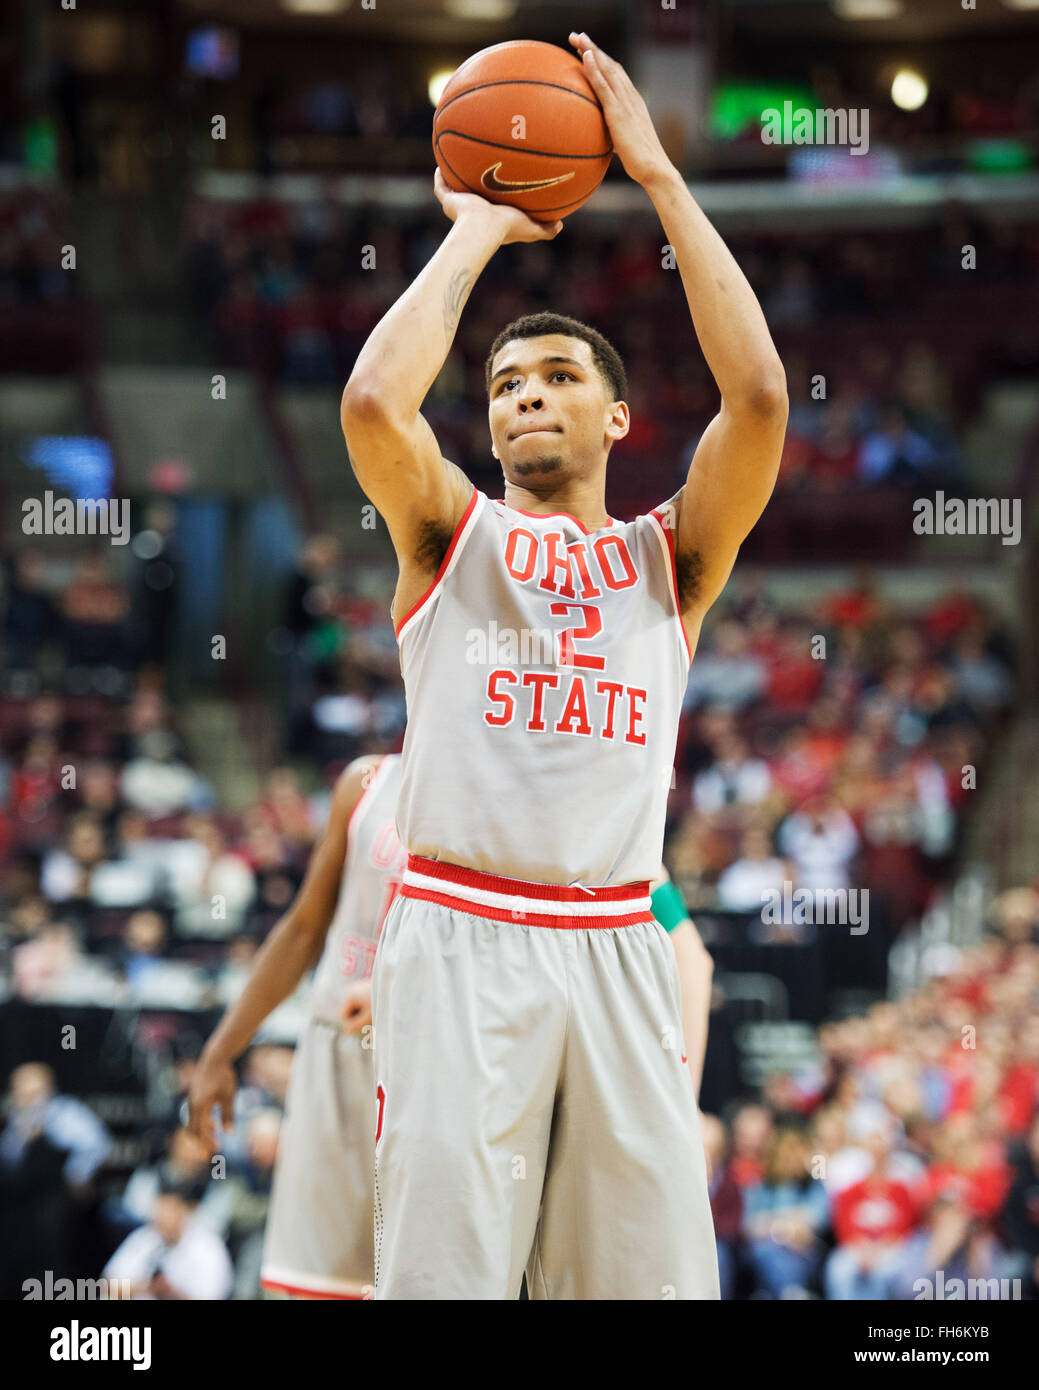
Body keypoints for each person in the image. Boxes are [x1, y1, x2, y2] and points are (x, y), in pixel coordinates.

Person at [340, 30, 786, 1299]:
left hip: (615, 939)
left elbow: (756, 398)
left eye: (555, 377)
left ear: (616, 417)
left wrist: (655, 175)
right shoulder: (446, 531)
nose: (523, 397)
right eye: (501, 384)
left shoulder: (672, 557)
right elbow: (375, 407)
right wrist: (479, 229)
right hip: (461, 936)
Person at [188, 754, 407, 1299]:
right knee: (309, 1284)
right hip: (336, 1051)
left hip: (430, 1065)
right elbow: (305, 927)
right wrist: (220, 1051)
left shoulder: (507, 797)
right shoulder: (367, 783)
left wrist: (398, 992)